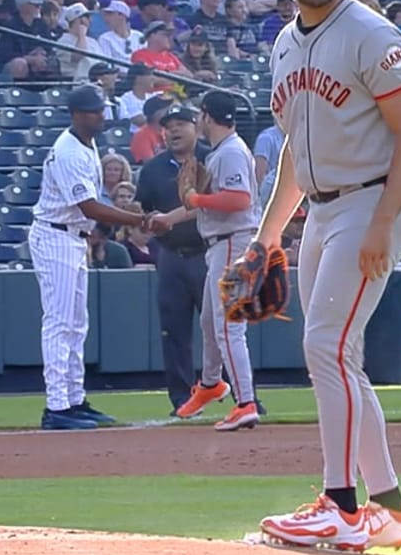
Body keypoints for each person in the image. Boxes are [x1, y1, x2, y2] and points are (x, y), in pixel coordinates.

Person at [252, 0, 401, 552]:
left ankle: (341, 505)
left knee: (325, 346)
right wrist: (269, 234)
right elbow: (297, 149)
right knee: (338, 356)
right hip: (323, 210)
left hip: (371, 200)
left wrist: (383, 223)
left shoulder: (370, 34)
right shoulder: (285, 44)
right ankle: (392, 509)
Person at [29, 84, 157, 431]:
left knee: (76, 323)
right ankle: (57, 407)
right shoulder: (68, 150)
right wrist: (137, 219)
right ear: (76, 114)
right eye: (92, 110)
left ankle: (74, 400)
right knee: (59, 323)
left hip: (72, 237)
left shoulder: (88, 143)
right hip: (55, 235)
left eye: (101, 109)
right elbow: (88, 206)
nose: (100, 114)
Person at [155, 92, 261, 431]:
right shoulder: (222, 151)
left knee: (229, 326)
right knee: (210, 325)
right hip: (221, 242)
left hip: (233, 241)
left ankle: (246, 402)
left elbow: (239, 200)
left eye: (200, 115)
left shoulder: (230, 151)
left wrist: (194, 196)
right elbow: (201, 204)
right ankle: (212, 384)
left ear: (206, 116)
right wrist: (169, 218)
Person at [135, 103, 212, 415]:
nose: (174, 130)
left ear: (196, 127)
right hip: (170, 256)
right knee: (174, 331)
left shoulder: (212, 157)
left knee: (223, 329)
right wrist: (145, 220)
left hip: (209, 252)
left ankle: (243, 395)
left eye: (182, 123)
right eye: (168, 126)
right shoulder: (153, 168)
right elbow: (142, 210)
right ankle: (182, 400)